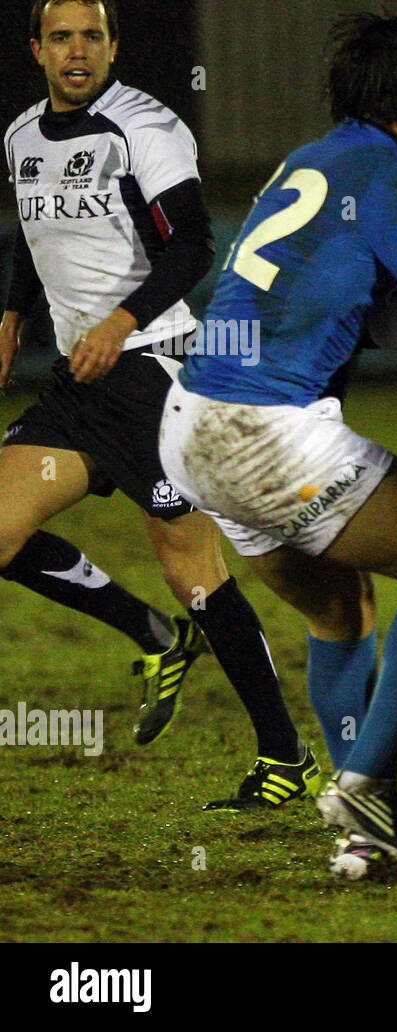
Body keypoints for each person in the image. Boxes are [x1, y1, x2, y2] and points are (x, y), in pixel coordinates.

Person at [157, 15, 397, 875]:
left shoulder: (314, 161)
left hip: (191, 424)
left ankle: (360, 832)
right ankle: (369, 784)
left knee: (340, 616)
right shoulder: (383, 179)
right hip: (266, 430)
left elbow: (368, 306)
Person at [1, 0, 315, 807]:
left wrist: (119, 319)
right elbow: (40, 241)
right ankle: (149, 635)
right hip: (79, 384)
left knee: (195, 571)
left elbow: (193, 247)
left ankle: (284, 759)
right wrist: (9, 319)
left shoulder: (144, 128)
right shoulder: (21, 136)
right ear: (36, 48)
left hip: (154, 373)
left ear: (112, 45)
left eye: (93, 36)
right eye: (62, 37)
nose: (78, 51)